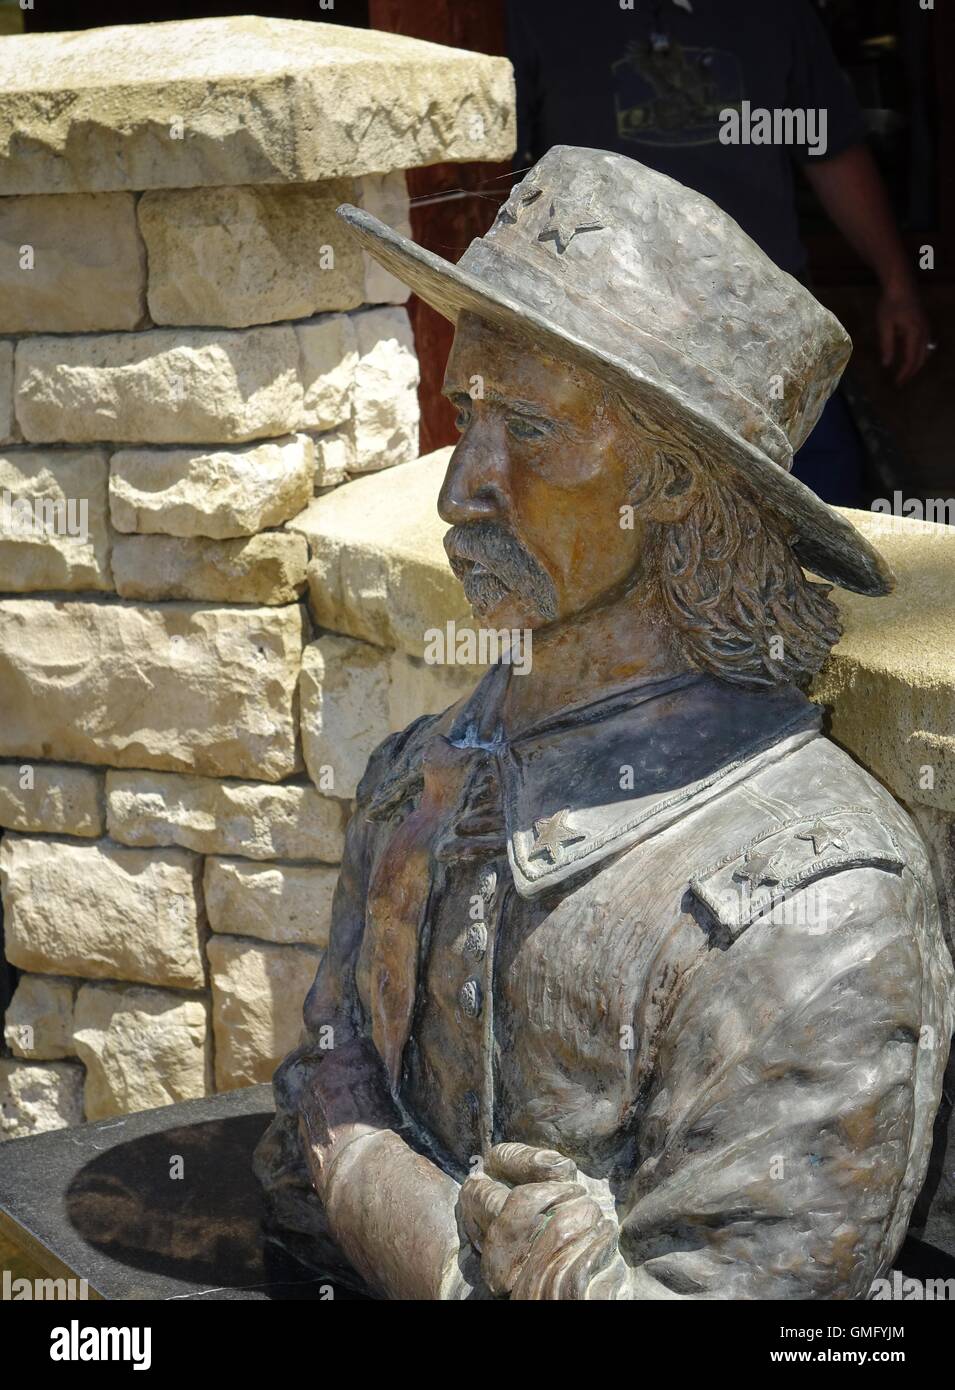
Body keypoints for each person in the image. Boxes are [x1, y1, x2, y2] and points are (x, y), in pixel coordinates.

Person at [254, 146, 953, 1300]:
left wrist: (366, 1168)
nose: (459, 487)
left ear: (674, 481)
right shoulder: (415, 782)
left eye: (527, 431)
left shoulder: (813, 907)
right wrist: (438, 1230)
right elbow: (299, 1148)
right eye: (461, 412)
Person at [507, 0, 933, 504]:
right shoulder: (538, 14)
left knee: (819, 511)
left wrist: (898, 284)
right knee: (635, 515)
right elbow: (504, 166)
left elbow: (831, 151)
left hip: (765, 331)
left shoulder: (777, 14)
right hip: (607, 336)